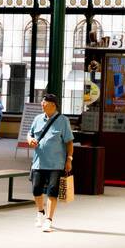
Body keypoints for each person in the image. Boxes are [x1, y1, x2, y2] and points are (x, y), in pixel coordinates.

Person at [28, 92, 74, 233]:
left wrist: (69, 159)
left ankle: (48, 219)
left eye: (45, 102)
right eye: (42, 102)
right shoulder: (37, 119)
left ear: (53, 105)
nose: (42, 104)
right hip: (39, 162)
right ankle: (40, 212)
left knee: (52, 191)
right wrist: (30, 140)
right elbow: (29, 133)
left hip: (56, 163)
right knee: (36, 189)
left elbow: (69, 142)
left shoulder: (63, 121)